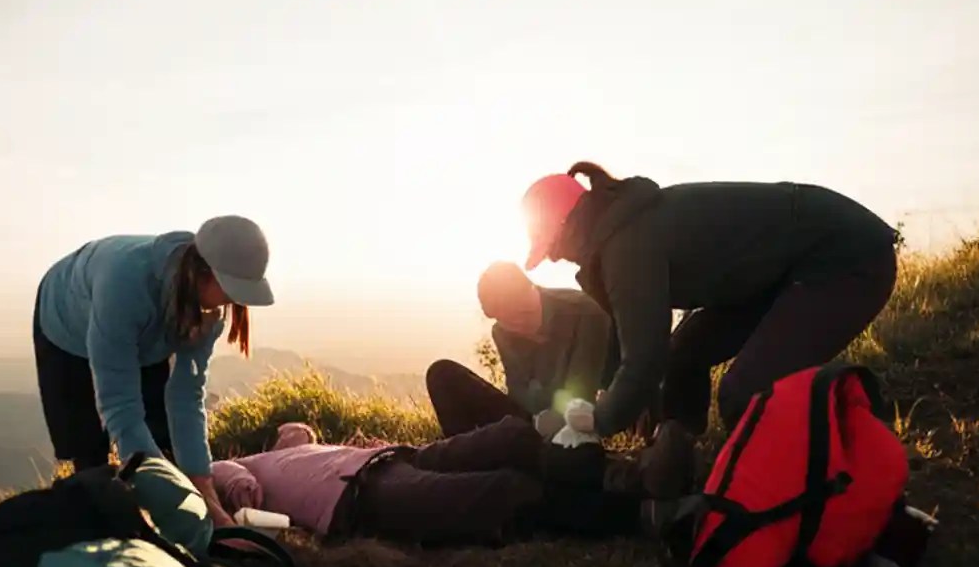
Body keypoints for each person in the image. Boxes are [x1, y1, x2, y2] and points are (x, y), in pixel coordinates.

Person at [520, 163, 899, 442]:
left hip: (845, 260)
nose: (555, 259)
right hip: (778, 274)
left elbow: (644, 359)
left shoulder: (628, 245)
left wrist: (599, 421)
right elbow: (634, 337)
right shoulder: (620, 230)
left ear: (569, 224)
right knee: (683, 353)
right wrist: (610, 401)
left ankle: (859, 442)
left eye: (551, 248)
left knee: (745, 392)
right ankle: (674, 449)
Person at [33, 216, 274, 528]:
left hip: (147, 326)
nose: (235, 301)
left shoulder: (209, 310)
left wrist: (207, 495)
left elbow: (187, 399)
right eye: (231, 290)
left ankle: (170, 521)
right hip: (66, 322)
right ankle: (101, 532)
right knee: (88, 450)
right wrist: (173, 496)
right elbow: (120, 405)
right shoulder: (124, 285)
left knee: (160, 436)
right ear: (203, 273)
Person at [207, 417, 684, 547]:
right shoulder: (232, 465)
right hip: (362, 498)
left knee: (512, 435)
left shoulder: (292, 447)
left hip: (395, 458)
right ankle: (642, 516)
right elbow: (229, 479)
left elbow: (296, 430)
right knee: (504, 490)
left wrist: (293, 436)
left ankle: (629, 476)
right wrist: (238, 499)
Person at [425, 261, 620, 438]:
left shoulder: (584, 313)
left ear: (531, 289)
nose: (521, 325)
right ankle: (468, 454)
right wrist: (536, 408)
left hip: (569, 429)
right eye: (510, 321)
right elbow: (518, 391)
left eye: (525, 313)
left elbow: (580, 396)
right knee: (442, 373)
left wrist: (538, 397)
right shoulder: (502, 332)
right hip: (529, 424)